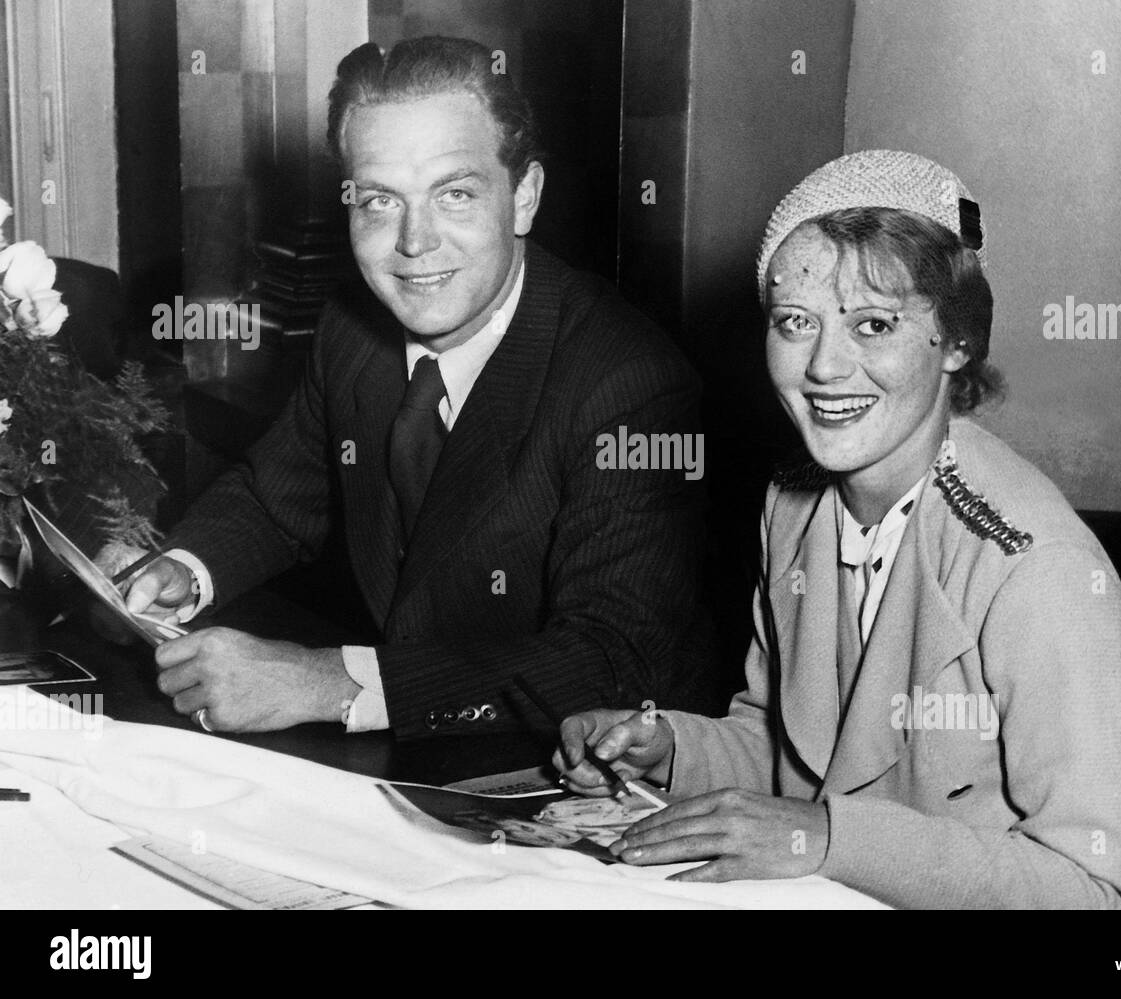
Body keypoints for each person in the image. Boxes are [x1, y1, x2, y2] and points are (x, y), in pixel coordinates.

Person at [554, 150, 1121, 909]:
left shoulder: (1039, 570)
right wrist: (671, 747)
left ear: (959, 343)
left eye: (874, 324)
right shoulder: (794, 503)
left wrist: (828, 838)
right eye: (795, 323)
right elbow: (790, 752)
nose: (825, 366)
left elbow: (1094, 890)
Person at [116, 36, 706, 740]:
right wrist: (183, 570)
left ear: (524, 197)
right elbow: (277, 501)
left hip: (584, 790)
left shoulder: (631, 383)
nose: (414, 242)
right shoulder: (351, 328)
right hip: (420, 759)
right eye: (379, 201)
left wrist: (330, 681)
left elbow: (612, 663)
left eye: (454, 194)